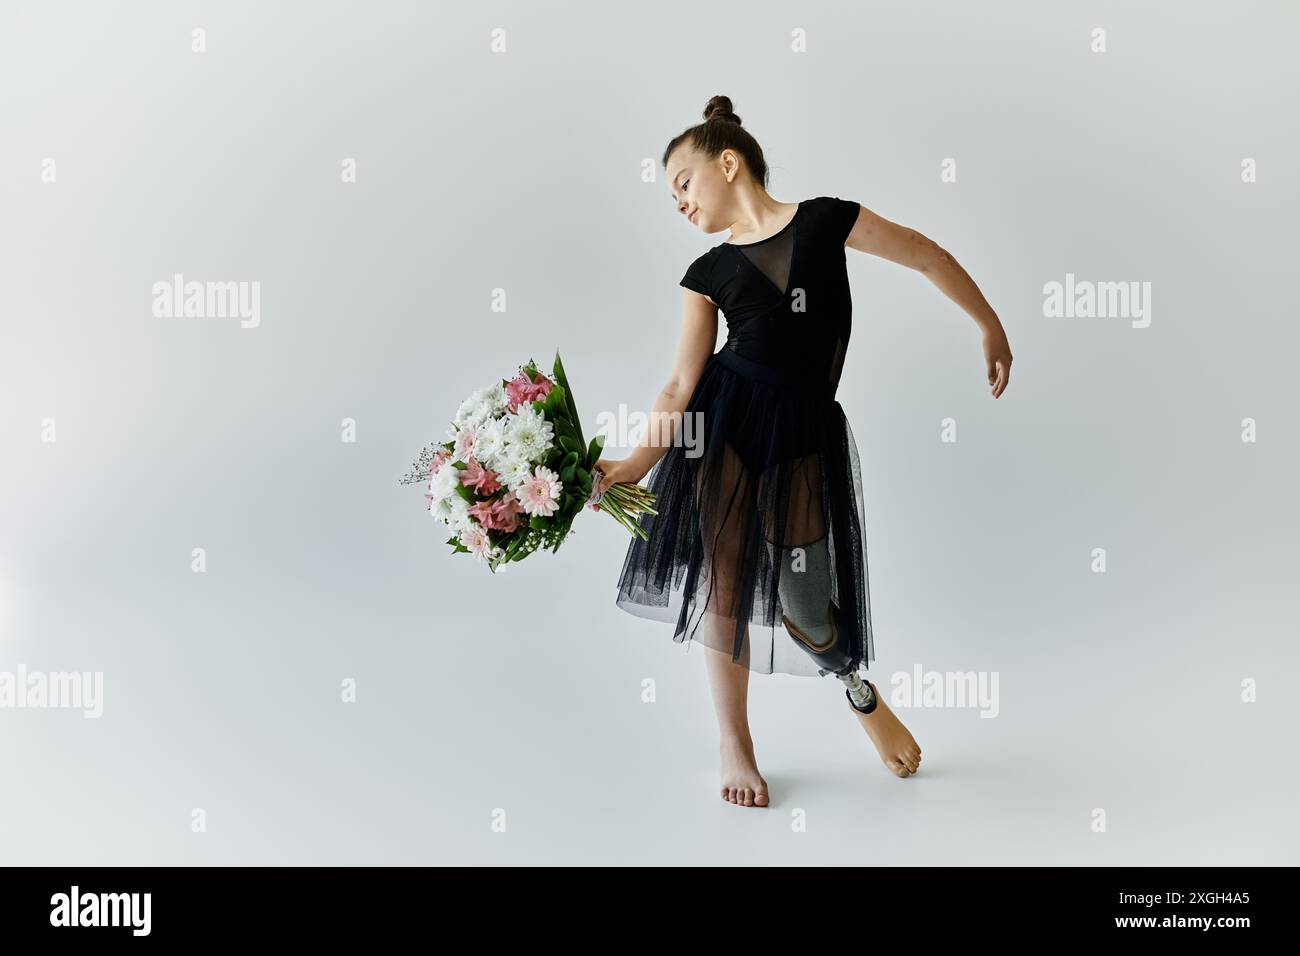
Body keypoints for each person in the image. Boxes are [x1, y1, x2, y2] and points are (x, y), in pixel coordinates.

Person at [591, 94, 1013, 807]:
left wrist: (989, 323)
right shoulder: (706, 274)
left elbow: (925, 254)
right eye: (671, 197)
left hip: (803, 432)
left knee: (810, 605)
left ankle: (853, 683)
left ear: (729, 163)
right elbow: (677, 386)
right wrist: (633, 466)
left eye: (683, 184)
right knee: (723, 578)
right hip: (724, 422)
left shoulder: (826, 219)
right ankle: (736, 744)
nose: (679, 204)